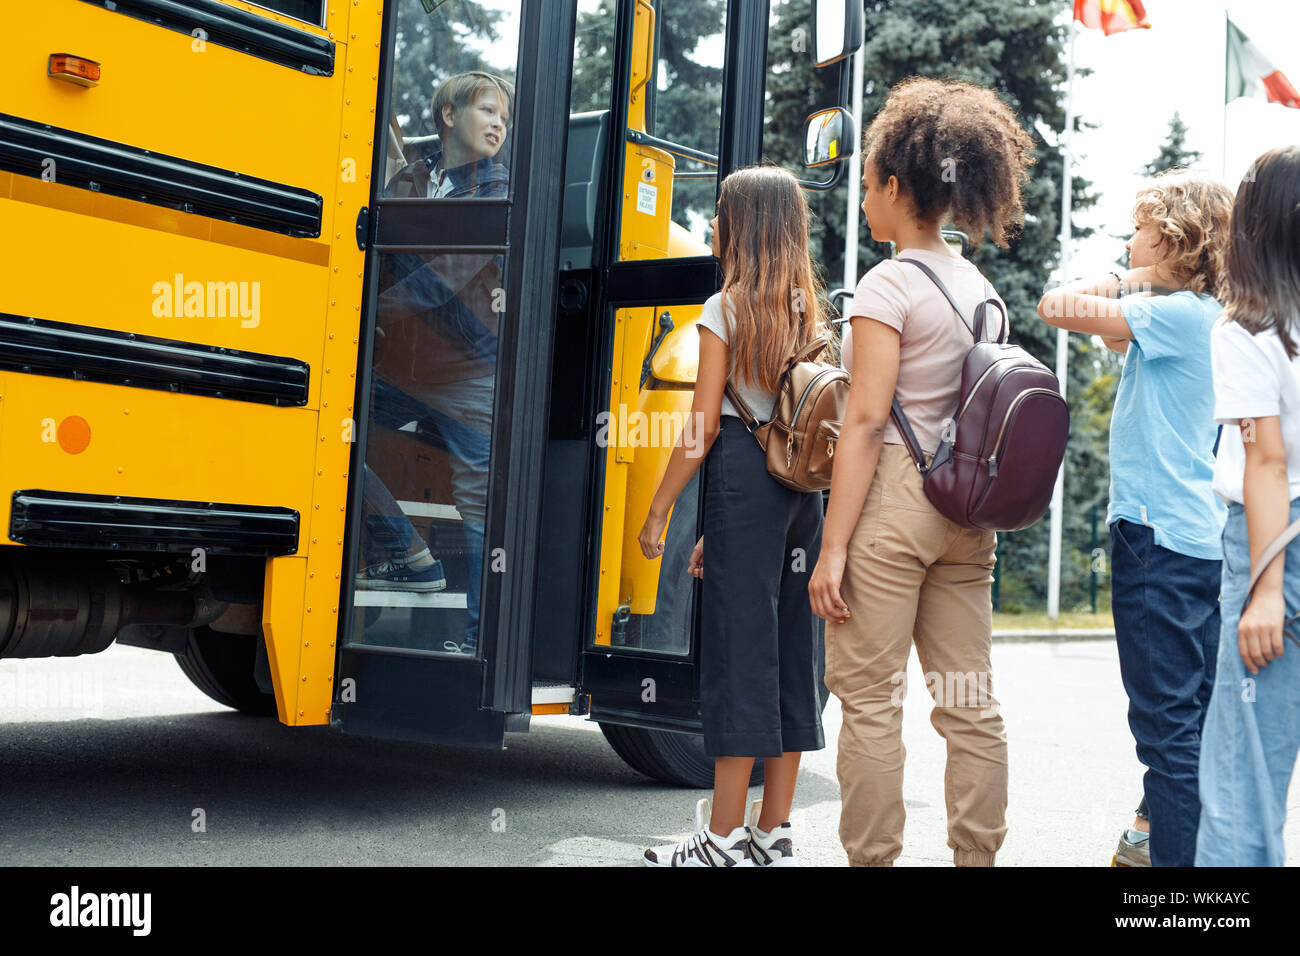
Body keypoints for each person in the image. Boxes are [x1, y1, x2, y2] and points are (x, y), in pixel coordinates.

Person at [809, 76, 1033, 867]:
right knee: (969, 705)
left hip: (896, 502)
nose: (865, 201)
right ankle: (976, 860)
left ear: (896, 185)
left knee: (870, 702)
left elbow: (866, 422)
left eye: (868, 184)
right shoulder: (984, 290)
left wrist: (833, 547)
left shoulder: (889, 282)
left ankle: (873, 862)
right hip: (967, 515)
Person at [1038, 170, 1233, 867]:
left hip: (1157, 542)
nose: (1128, 239)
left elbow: (1055, 304)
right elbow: (1109, 339)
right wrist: (1144, 280)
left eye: (1141, 230)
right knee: (1191, 721)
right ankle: (1156, 835)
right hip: (1195, 545)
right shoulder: (1203, 322)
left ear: (1173, 241)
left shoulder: (1178, 317)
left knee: (1167, 732)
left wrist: (1126, 279)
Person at [637, 166, 828, 866]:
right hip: (800, 488)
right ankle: (772, 833)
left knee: (738, 657)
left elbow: (704, 429)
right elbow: (783, 424)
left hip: (745, 482)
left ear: (738, 226)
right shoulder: (805, 305)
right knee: (792, 657)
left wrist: (661, 511)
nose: (714, 226)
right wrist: (719, 529)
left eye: (720, 215)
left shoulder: (726, 307)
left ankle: (719, 838)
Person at [357, 70, 514, 654]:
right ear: (449, 117)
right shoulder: (414, 177)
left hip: (469, 374)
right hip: (404, 369)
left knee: (476, 497)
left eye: (504, 116)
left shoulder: (496, 191)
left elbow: (438, 282)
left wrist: (371, 312)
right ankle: (410, 552)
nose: (499, 123)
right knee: (329, 431)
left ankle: (474, 642)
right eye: (487, 111)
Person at [1197, 146, 1300, 866]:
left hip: (1274, 543)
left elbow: (1266, 461)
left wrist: (1265, 591)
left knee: (1245, 774)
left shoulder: (1249, 329)